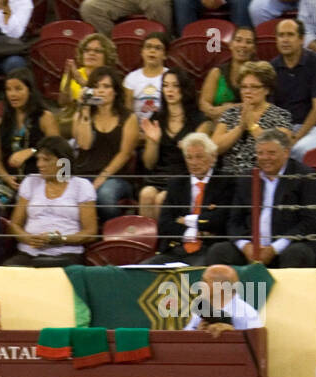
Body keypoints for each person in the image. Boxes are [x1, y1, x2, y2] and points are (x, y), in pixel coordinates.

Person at [208, 128, 316, 269]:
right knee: (219, 251)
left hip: (291, 244)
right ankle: (228, 292)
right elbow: (234, 221)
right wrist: (245, 246)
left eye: (271, 153)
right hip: (253, 247)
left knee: (296, 253)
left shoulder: (305, 176)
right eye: (260, 153)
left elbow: (312, 220)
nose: (265, 158)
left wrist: (275, 248)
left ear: (286, 153)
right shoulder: (247, 179)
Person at [146, 131, 234, 266]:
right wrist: (195, 232)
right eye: (189, 157)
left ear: (212, 157)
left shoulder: (226, 182)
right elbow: (165, 224)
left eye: (199, 157)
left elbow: (221, 220)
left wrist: (186, 220)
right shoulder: (176, 184)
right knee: (142, 271)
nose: (194, 162)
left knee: (194, 274)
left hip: (208, 250)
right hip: (175, 248)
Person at [7, 135, 97, 267]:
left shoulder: (81, 186)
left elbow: (90, 232)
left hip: (66, 254)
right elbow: (14, 225)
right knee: (10, 269)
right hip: (29, 253)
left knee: (49, 268)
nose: (40, 164)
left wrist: (60, 239)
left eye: (46, 160)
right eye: (38, 159)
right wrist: (27, 238)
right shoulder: (30, 181)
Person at [137, 69, 209, 221]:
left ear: (184, 89)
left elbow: (201, 158)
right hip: (159, 177)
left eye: (175, 86)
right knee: (146, 194)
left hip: (184, 177)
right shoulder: (157, 118)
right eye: (166, 85)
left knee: (161, 199)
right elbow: (149, 164)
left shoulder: (199, 120)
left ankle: (165, 242)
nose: (169, 90)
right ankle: (149, 243)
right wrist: (153, 142)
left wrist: (189, 146)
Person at [71, 66, 139, 227]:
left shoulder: (128, 118)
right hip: (84, 174)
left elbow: (125, 153)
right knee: (72, 197)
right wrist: (85, 112)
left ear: (115, 91)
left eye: (106, 87)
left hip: (116, 176)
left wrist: (101, 178)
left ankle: (111, 234)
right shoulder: (80, 115)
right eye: (96, 87)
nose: (100, 91)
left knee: (105, 196)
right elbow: (84, 144)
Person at [212, 60, 292, 177]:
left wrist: (252, 126)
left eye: (254, 87)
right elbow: (214, 148)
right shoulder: (230, 114)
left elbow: (280, 147)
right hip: (229, 180)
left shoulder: (281, 115)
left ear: (267, 89)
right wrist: (240, 127)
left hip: (262, 178)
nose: (248, 91)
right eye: (244, 87)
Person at [0, 68, 58, 203]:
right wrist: (7, 178)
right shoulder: (1, 123)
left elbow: (59, 151)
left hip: (40, 180)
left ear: (30, 90)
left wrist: (32, 151)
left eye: (18, 89)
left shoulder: (44, 117)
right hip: (11, 182)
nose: (13, 94)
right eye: (9, 89)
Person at [271, 18, 316, 161]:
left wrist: (296, 137)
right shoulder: (272, 67)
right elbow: (270, 108)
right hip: (284, 129)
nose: (285, 40)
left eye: (290, 35)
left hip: (315, 129)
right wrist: (284, 133)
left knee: (299, 150)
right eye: (281, 35)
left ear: (301, 39)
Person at [57, 32, 116, 135]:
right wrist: (67, 82)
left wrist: (81, 82)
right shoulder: (76, 72)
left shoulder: (109, 77)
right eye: (87, 50)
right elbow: (63, 103)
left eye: (97, 51)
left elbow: (100, 102)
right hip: (76, 117)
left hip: (101, 118)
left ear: (106, 56)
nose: (91, 53)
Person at [183, 264, 263, 333]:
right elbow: (183, 339)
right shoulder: (203, 308)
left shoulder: (247, 313)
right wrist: (197, 332)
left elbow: (256, 343)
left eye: (205, 281)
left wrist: (232, 333)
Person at [200, 25, 256, 123]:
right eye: (238, 40)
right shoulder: (216, 72)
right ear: (230, 44)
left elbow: (257, 106)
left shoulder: (259, 74)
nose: (243, 45)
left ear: (254, 48)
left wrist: (228, 108)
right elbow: (204, 103)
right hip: (216, 121)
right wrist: (213, 111)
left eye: (248, 42)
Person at [122, 31, 169, 123]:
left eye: (158, 48)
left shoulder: (171, 76)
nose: (152, 51)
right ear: (142, 52)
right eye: (148, 47)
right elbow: (127, 111)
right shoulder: (131, 78)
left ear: (165, 55)